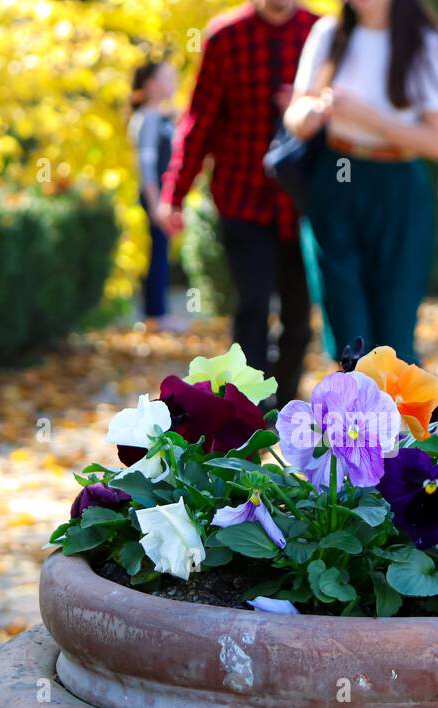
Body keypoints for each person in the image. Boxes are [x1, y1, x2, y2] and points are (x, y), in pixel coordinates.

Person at [157, 0, 317, 407]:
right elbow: (199, 120)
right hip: (243, 199)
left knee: (299, 321)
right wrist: (174, 194)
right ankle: (246, 419)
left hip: (303, 205)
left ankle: (282, 414)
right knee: (252, 309)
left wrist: (306, 107)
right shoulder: (225, 37)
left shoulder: (320, 33)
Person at [285, 0, 438, 365]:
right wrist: (314, 113)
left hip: (397, 183)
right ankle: (351, 417)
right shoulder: (328, 34)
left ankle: (396, 420)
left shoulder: (425, 39)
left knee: (395, 333)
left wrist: (368, 118)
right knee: (346, 324)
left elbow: (436, 141)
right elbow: (295, 115)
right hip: (337, 174)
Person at [129, 58, 185, 332]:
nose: (173, 83)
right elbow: (147, 166)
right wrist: (156, 204)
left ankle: (158, 313)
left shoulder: (160, 116)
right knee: (158, 253)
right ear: (151, 85)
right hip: (156, 197)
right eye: (167, 77)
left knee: (162, 252)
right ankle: (156, 315)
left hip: (163, 197)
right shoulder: (147, 119)